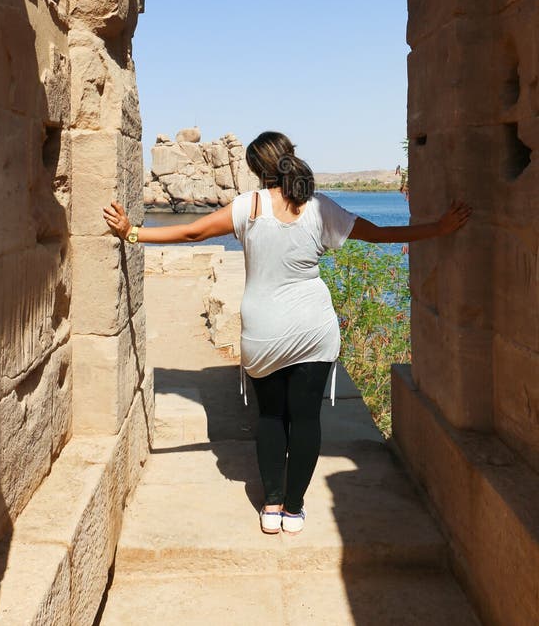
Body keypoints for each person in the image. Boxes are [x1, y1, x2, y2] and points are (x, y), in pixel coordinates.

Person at [103, 131, 471, 536]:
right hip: (313, 329)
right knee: (306, 418)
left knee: (271, 416)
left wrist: (131, 232)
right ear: (289, 157)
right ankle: (294, 509)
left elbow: (192, 233)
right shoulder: (319, 207)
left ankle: (272, 504)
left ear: (256, 169)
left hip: (264, 332)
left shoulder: (248, 206)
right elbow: (379, 235)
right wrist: (439, 228)